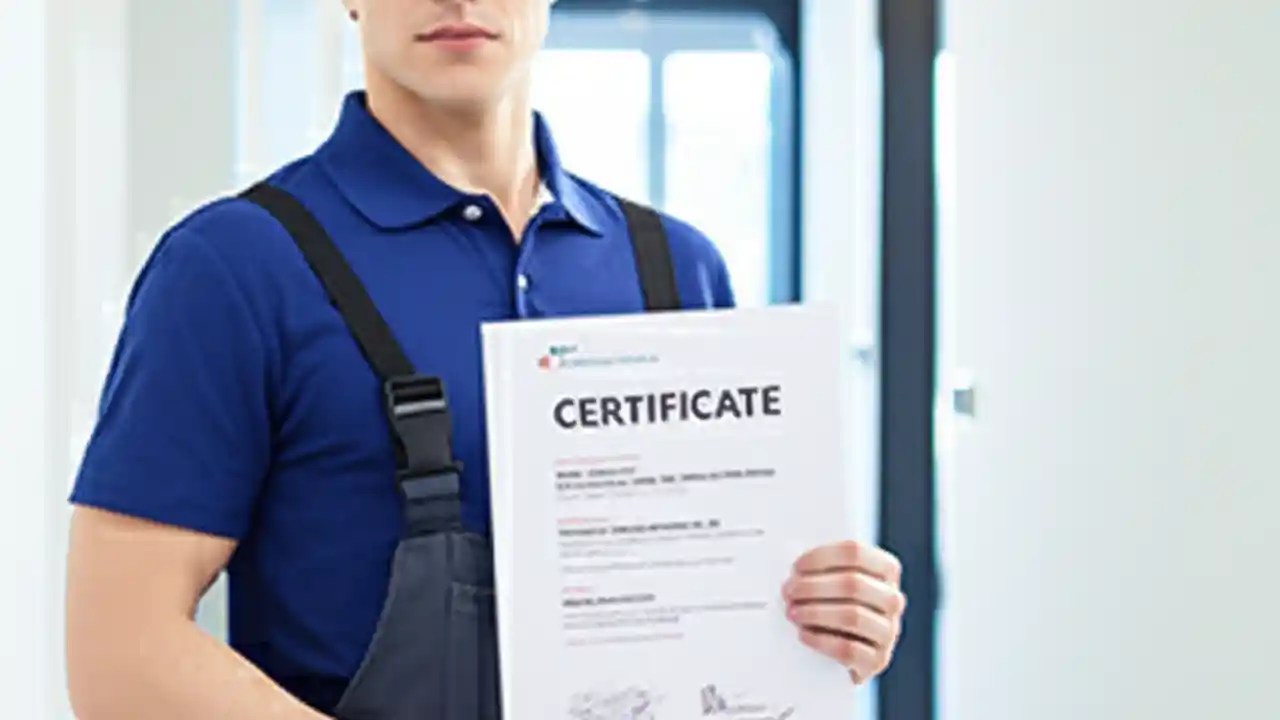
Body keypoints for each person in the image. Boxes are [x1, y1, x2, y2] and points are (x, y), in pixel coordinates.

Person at [64, 0, 906, 718]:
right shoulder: (236, 265)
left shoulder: (676, 268)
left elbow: (733, 615)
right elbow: (119, 654)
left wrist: (832, 620)